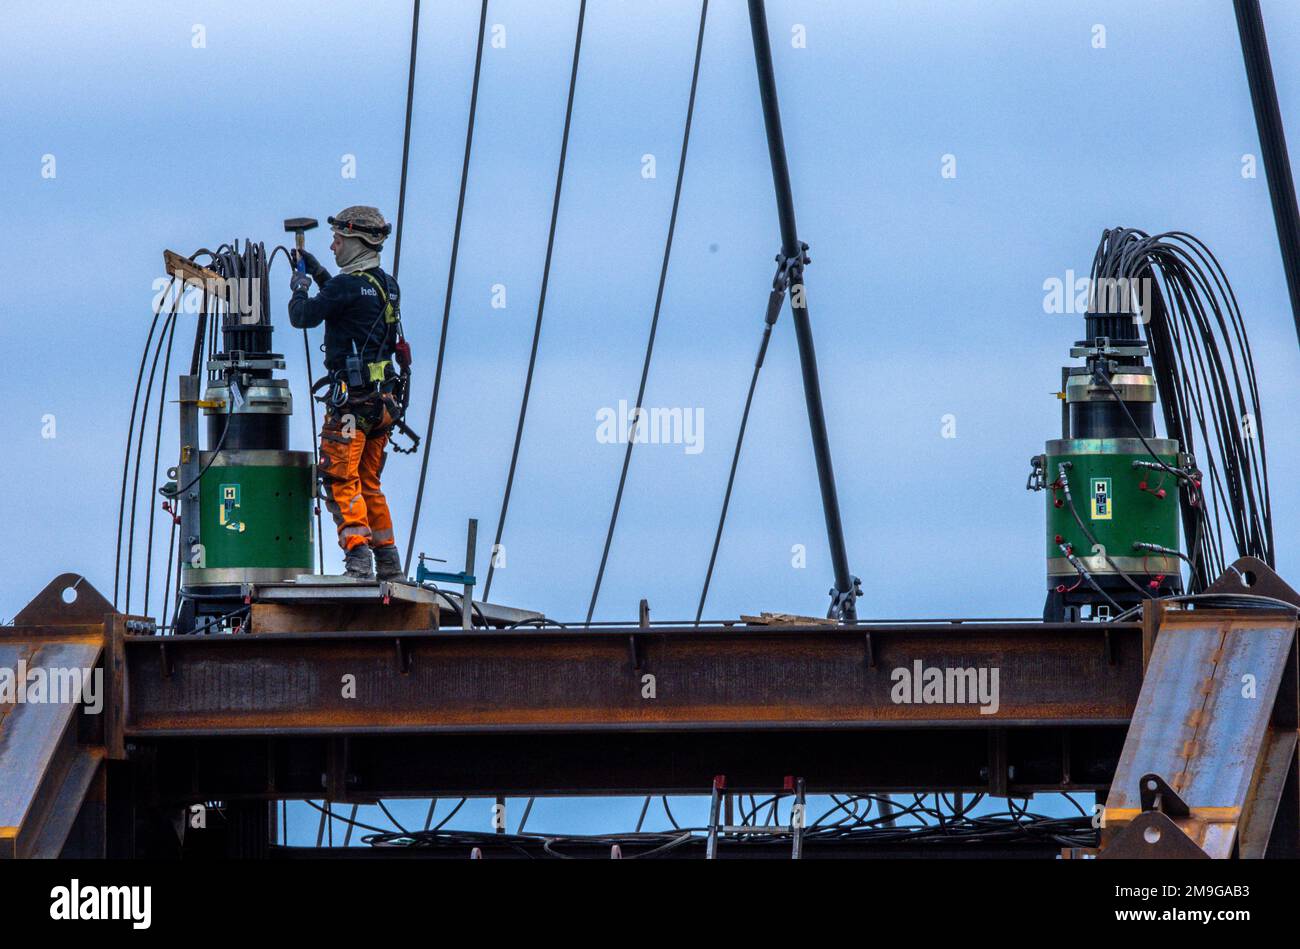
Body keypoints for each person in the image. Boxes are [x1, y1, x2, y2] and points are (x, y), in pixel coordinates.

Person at [288, 205, 406, 581]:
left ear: (356, 241)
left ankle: (358, 559)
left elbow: (302, 316)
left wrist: (301, 286)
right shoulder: (384, 285)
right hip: (383, 405)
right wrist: (321, 271)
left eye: (339, 238)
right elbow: (344, 300)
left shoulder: (344, 287)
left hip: (351, 407)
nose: (333, 244)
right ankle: (389, 563)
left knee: (340, 477)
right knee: (368, 481)